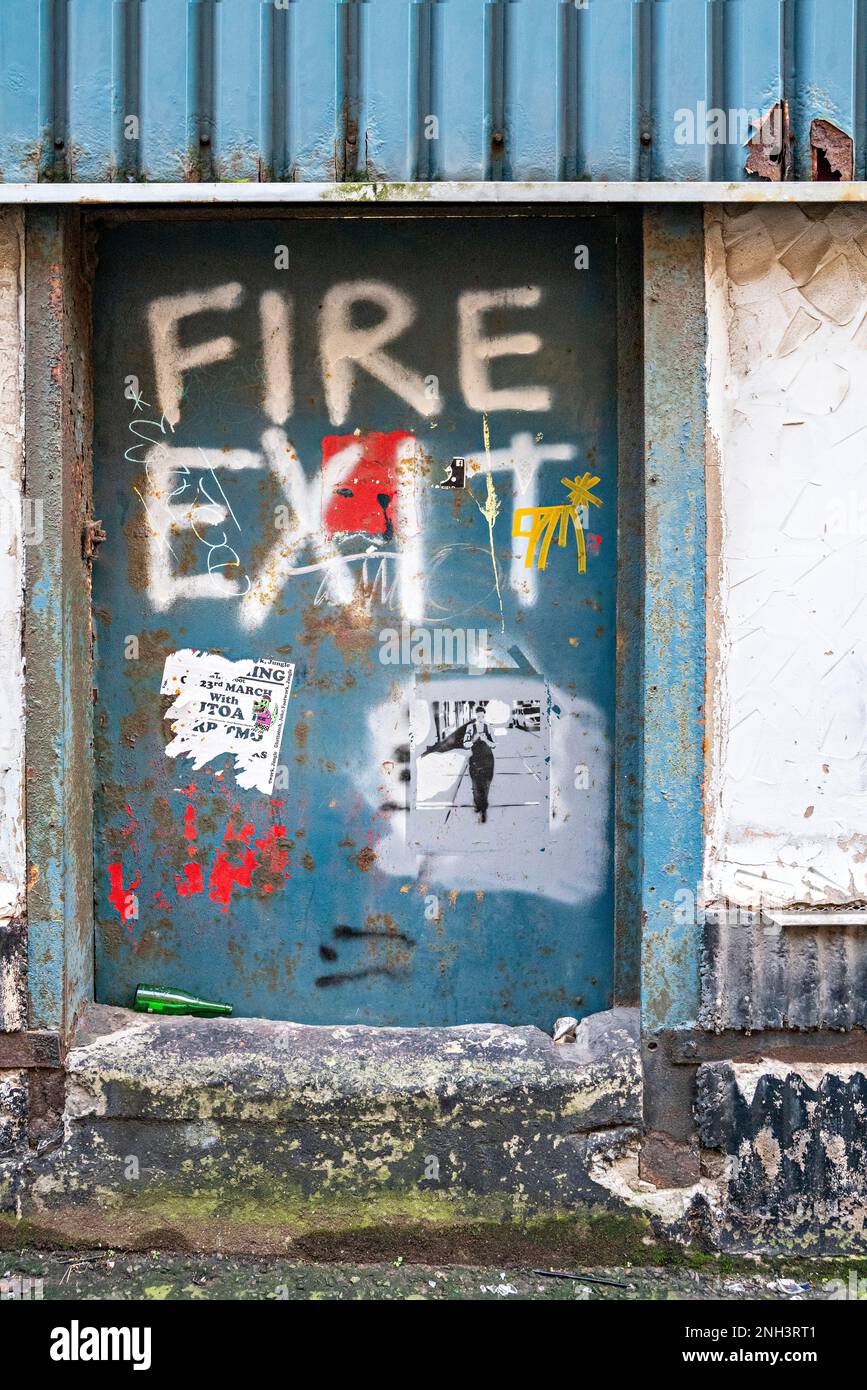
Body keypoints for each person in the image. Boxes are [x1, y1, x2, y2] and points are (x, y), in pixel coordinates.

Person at [463, 703, 496, 823]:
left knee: (486, 785)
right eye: (478, 717)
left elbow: (494, 744)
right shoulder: (470, 728)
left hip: (488, 760)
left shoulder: (489, 727)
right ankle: (479, 805)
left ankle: (483, 808)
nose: (480, 719)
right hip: (475, 760)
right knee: (476, 787)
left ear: (484, 716)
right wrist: (474, 738)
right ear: (475, 716)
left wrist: (486, 739)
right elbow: (465, 744)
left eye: (482, 716)